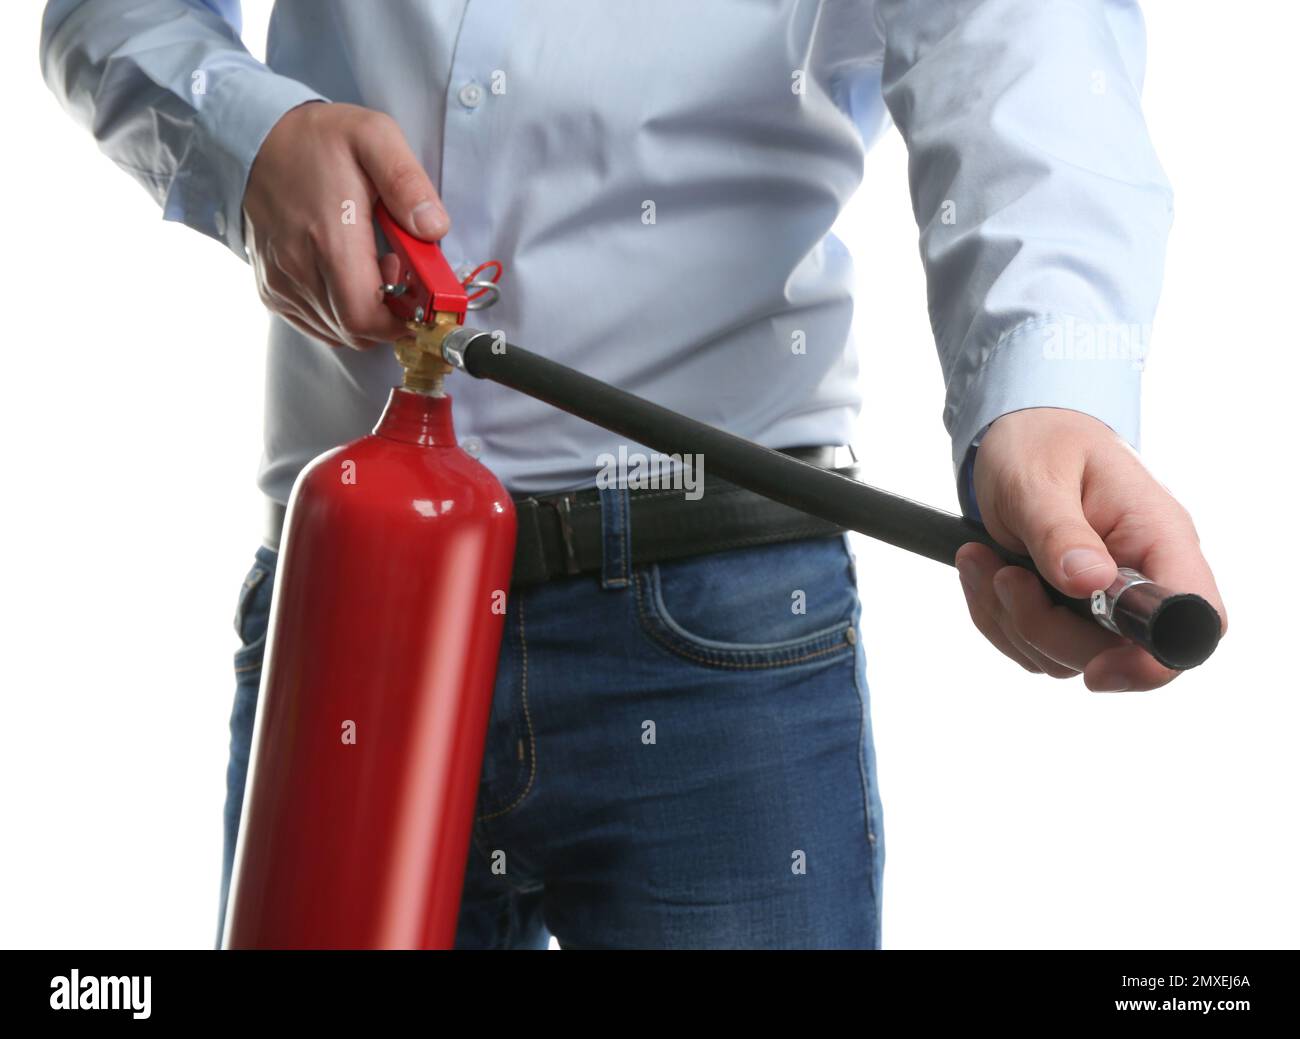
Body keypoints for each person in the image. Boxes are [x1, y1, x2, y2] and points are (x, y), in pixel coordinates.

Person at [40, 0, 1226, 950]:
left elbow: (1018, 33)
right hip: (349, 609)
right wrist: (248, 138)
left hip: (722, 623)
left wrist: (1045, 392)